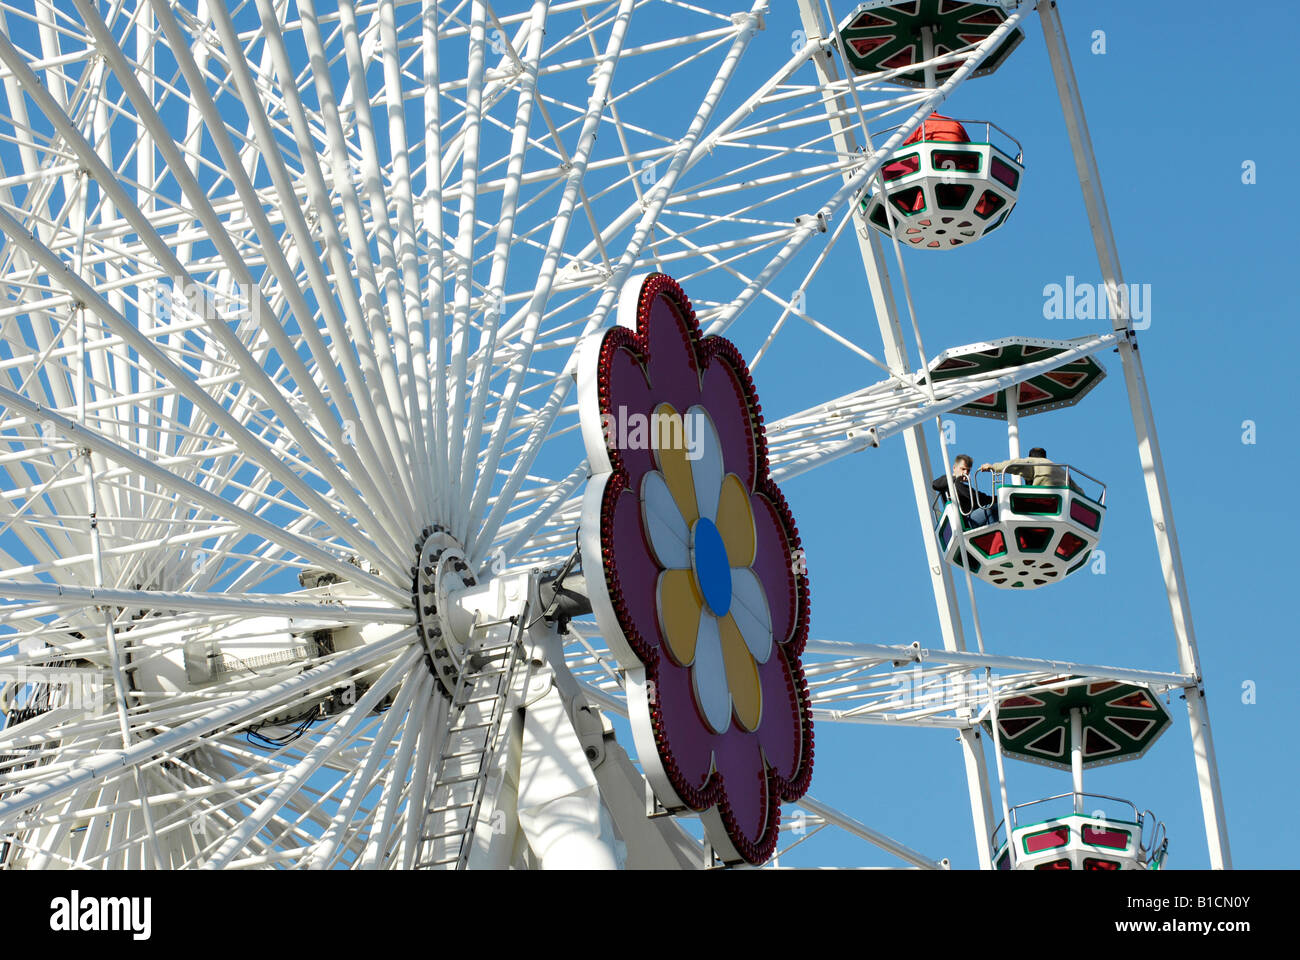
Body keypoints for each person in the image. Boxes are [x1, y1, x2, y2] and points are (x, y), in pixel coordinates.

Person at [932, 454, 995, 526]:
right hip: (965, 520)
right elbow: (935, 484)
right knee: (993, 509)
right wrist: (956, 478)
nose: (965, 472)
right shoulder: (950, 482)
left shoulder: (963, 486)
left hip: (970, 517)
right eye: (963, 469)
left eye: (968, 470)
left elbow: (981, 497)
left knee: (995, 506)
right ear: (954, 468)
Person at [980, 447, 1081, 492]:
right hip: (1061, 500)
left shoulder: (1033, 462)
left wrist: (993, 467)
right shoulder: (1062, 470)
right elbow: (1077, 489)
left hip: (1043, 498)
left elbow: (1014, 464)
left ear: (1030, 457)